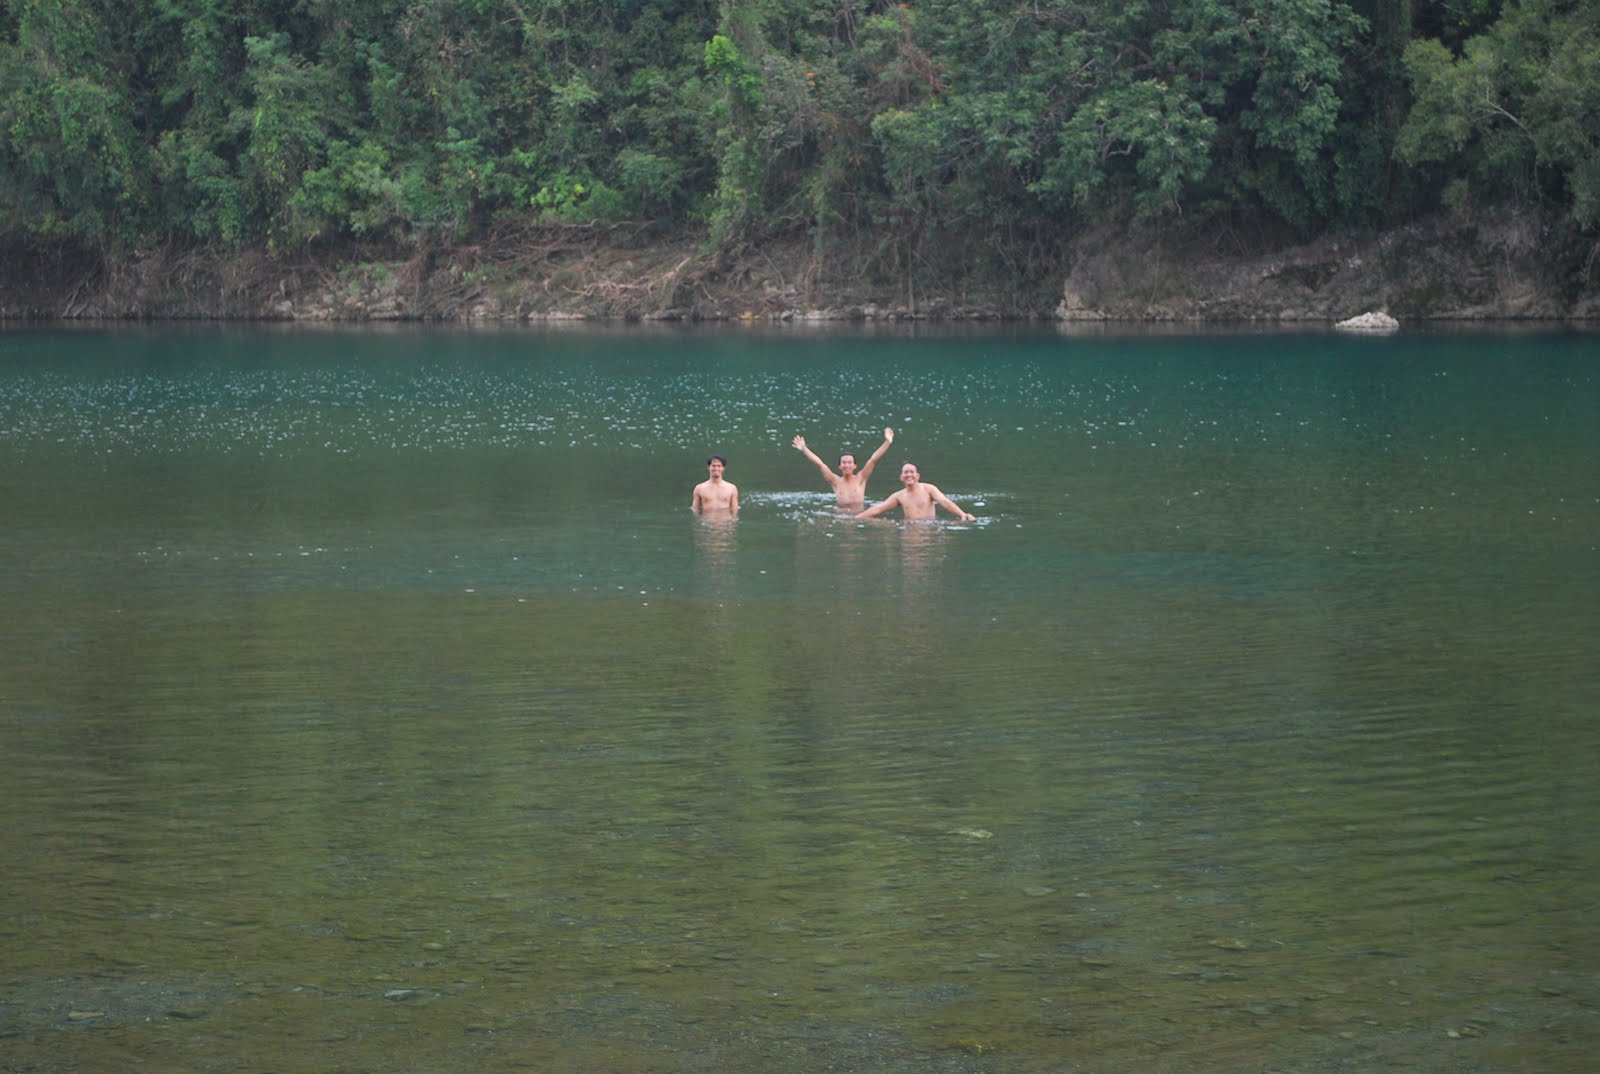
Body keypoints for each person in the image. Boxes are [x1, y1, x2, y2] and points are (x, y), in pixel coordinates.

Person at [791, 427, 894, 507]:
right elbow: (820, 464)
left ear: (855, 466)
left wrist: (887, 442)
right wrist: (804, 449)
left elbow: (873, 459)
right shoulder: (835, 481)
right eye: (844, 463)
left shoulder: (861, 478)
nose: (847, 465)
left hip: (860, 513)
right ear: (840, 466)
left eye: (850, 462)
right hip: (840, 514)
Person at [855, 462, 975, 521]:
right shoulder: (899, 496)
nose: (909, 475)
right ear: (901, 477)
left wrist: (962, 514)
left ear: (918, 476)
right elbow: (878, 509)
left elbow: (945, 502)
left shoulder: (929, 489)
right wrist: (857, 518)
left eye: (912, 472)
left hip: (930, 527)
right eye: (906, 472)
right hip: (909, 529)